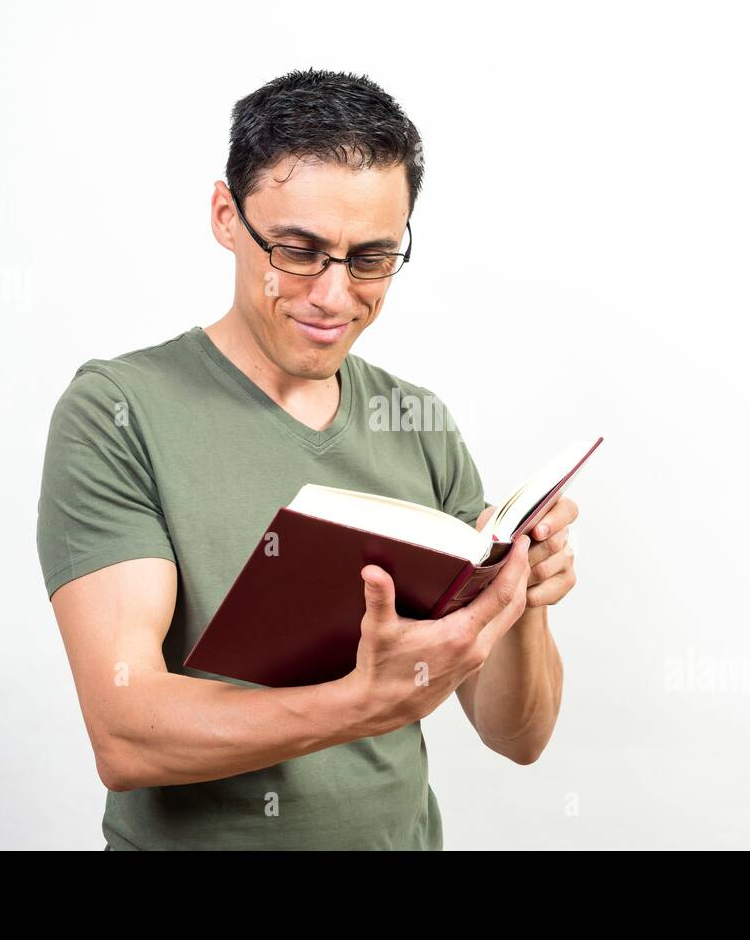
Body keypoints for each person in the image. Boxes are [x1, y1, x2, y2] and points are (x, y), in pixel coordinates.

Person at [35, 69, 580, 850]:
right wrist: (366, 702)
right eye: (298, 251)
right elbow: (126, 734)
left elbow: (518, 735)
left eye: (370, 259)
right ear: (227, 216)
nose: (332, 296)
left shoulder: (415, 421)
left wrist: (522, 588)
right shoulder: (119, 411)